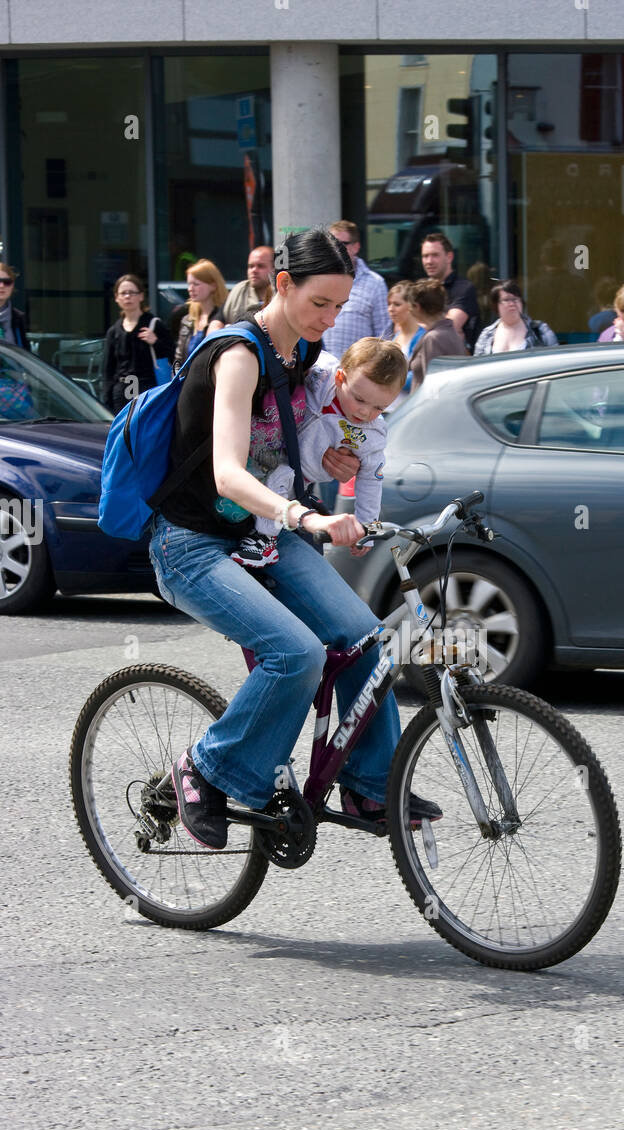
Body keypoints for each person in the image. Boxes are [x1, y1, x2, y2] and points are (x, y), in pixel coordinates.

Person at [148, 227, 439, 850]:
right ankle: (204, 770)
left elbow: (306, 440)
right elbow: (228, 471)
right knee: (297, 654)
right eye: (320, 304)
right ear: (283, 284)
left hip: (265, 535)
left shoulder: (303, 356)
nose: (331, 318)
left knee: (364, 638)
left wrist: (336, 464)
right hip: (194, 542)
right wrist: (306, 516)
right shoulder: (238, 355)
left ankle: (367, 782)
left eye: (340, 306)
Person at [228, 337, 407, 568]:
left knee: (279, 481)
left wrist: (367, 528)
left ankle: (264, 540)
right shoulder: (321, 374)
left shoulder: (371, 434)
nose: (365, 412)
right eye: (359, 399)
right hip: (266, 446)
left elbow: (371, 480)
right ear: (340, 378)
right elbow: (297, 356)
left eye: (379, 408)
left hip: (297, 476)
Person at [102, 274, 173, 414]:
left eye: (132, 293)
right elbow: (108, 370)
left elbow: (173, 354)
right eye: (123, 293)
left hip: (148, 389)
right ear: (117, 298)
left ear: (141, 296)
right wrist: (107, 399)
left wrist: (156, 342)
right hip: (121, 391)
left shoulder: (154, 325)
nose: (128, 297)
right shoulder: (114, 331)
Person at [321, 220, 390, 356]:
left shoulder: (375, 284)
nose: (335, 249)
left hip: (358, 370)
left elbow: (384, 336)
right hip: (321, 371)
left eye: (341, 244)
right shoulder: (318, 280)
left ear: (356, 247)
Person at [420, 232, 480, 352]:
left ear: (449, 257)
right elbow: (400, 328)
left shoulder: (464, 288)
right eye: (425, 256)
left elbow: (449, 327)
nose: (429, 261)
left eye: (435, 255)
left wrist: (417, 323)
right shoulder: (420, 289)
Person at [406, 279, 467, 392]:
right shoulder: (449, 331)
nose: (408, 311)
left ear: (417, 306)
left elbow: (431, 389)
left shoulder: (434, 338)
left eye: (410, 306)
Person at [473, 280, 558, 355]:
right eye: (506, 300)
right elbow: (477, 366)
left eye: (515, 299)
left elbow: (555, 360)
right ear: (496, 305)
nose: (512, 304)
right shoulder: (486, 336)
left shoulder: (540, 331)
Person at [174, 260, 227, 371]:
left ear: (213, 286)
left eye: (196, 284)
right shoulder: (187, 320)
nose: (190, 289)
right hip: (186, 384)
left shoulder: (223, 319)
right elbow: (178, 360)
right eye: (189, 284)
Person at [385, 279, 424, 396]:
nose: (391, 309)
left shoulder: (423, 337)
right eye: (389, 304)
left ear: (412, 306)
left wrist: (385, 378)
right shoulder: (395, 337)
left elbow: (419, 377)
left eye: (397, 304)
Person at [222, 245, 275, 324]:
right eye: (251, 266)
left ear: (274, 269)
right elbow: (221, 318)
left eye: (260, 266)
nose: (254, 270)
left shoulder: (282, 295)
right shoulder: (239, 291)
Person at [0, 264, 30, 349]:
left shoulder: (18, 317)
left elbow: (24, 353)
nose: (2, 286)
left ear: (12, 285)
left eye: (7, 282)